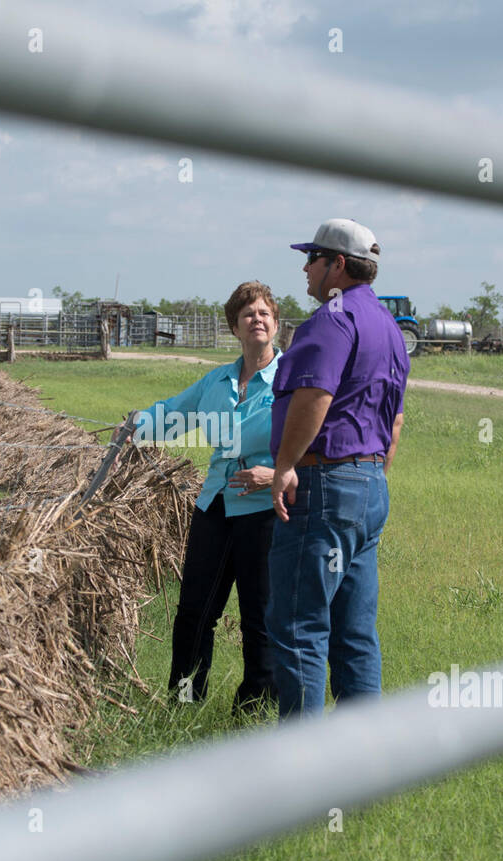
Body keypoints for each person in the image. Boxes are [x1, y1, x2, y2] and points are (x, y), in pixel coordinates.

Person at [266, 218, 408, 718]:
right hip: (369, 484)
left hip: (324, 483)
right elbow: (396, 418)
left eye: (312, 258)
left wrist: (285, 465)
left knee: (299, 625)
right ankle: (362, 761)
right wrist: (371, 476)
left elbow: (315, 396)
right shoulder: (389, 328)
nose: (305, 268)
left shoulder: (332, 318)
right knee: (354, 632)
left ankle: (303, 768)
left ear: (338, 265)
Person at [132, 281, 282, 714]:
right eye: (247, 314)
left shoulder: (293, 382)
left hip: (265, 510)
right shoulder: (216, 382)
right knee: (194, 611)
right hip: (214, 505)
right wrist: (136, 425)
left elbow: (316, 443)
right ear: (234, 327)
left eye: (264, 313)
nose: (257, 319)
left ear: (275, 325)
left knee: (261, 617)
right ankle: (184, 701)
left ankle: (254, 708)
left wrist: (272, 474)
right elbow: (172, 414)